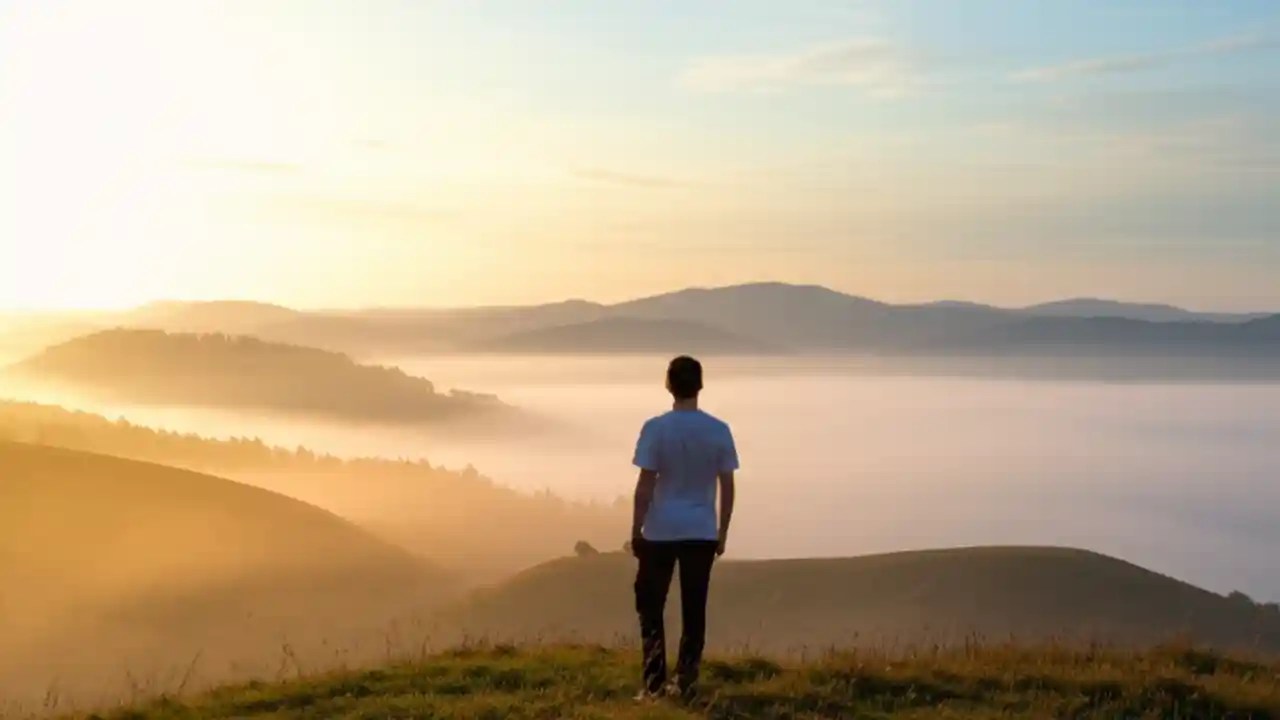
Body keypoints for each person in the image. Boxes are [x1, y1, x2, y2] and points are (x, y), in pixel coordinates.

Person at [631, 355, 738, 698]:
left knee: (651, 606)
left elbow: (646, 483)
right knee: (694, 608)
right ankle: (686, 681)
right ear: (700, 385)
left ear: (669, 385)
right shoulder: (719, 430)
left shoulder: (655, 428)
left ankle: (654, 684)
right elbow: (727, 485)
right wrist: (722, 532)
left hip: (660, 529)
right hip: (701, 530)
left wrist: (636, 530)